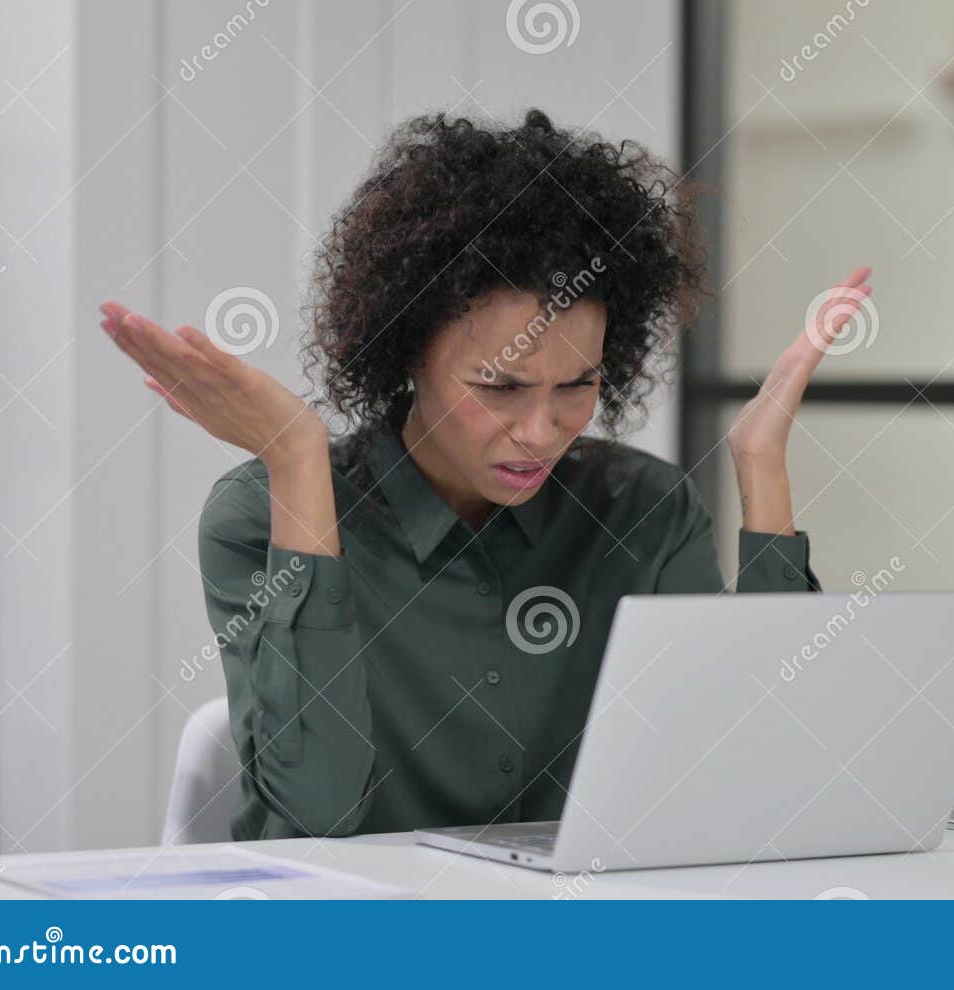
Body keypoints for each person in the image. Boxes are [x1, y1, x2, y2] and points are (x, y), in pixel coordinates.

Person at [99, 108, 872, 840]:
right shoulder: (254, 517)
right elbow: (314, 819)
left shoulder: (643, 510)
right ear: (408, 353)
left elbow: (761, 779)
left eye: (577, 385)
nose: (540, 431)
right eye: (500, 387)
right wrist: (296, 459)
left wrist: (762, 467)